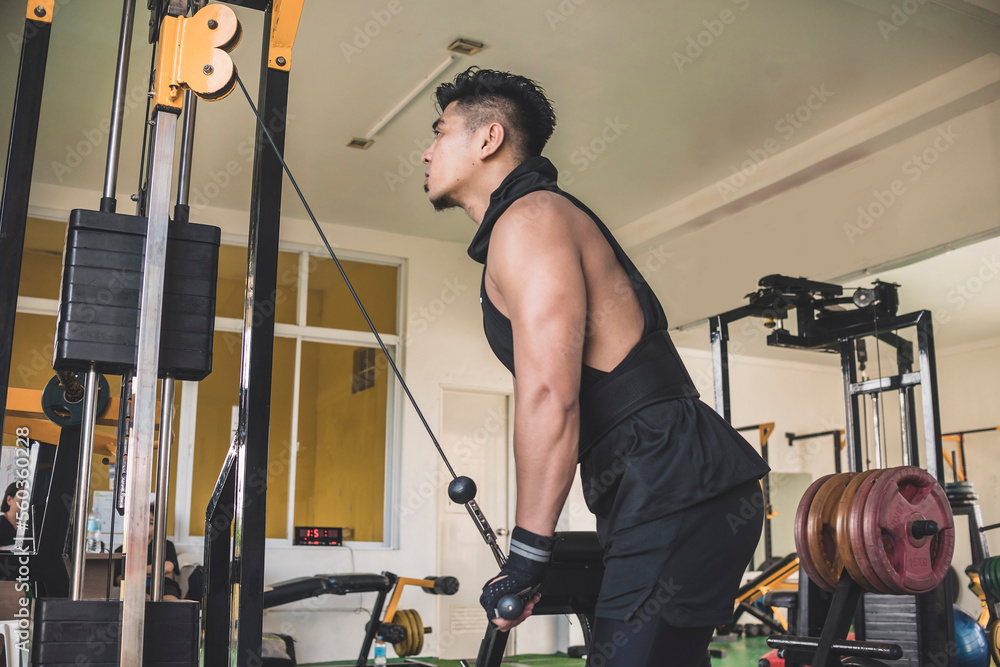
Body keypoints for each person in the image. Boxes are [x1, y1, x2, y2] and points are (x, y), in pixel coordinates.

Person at [422, 67, 771, 666]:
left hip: (673, 477)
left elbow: (549, 395)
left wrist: (528, 554)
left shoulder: (528, 220)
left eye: (439, 132)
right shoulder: (527, 222)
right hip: (663, 478)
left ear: (488, 139)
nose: (427, 153)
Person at [113, 502, 182, 600]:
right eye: (142, 521)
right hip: (134, 588)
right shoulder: (122, 549)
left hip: (164, 587)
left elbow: (168, 567)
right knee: (138, 600)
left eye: (150, 523)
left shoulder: (166, 545)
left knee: (171, 602)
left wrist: (134, 572)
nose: (145, 526)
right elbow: (119, 579)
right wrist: (154, 572)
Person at [1, 482, 24, 547]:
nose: (25, 500)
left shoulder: (30, 524)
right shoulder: (1, 524)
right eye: (22, 495)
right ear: (9, 500)